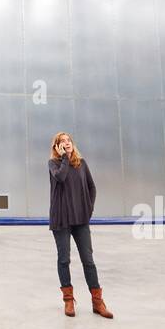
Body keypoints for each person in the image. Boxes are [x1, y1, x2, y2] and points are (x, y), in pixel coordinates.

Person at [48, 132, 112, 319]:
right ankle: (68, 301)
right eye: (62, 142)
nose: (66, 143)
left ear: (72, 144)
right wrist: (64, 158)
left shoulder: (82, 164)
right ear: (57, 147)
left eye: (68, 141)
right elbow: (60, 177)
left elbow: (92, 188)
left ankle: (97, 302)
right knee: (64, 259)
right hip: (61, 219)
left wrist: (88, 209)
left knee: (88, 261)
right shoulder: (54, 164)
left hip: (81, 220)